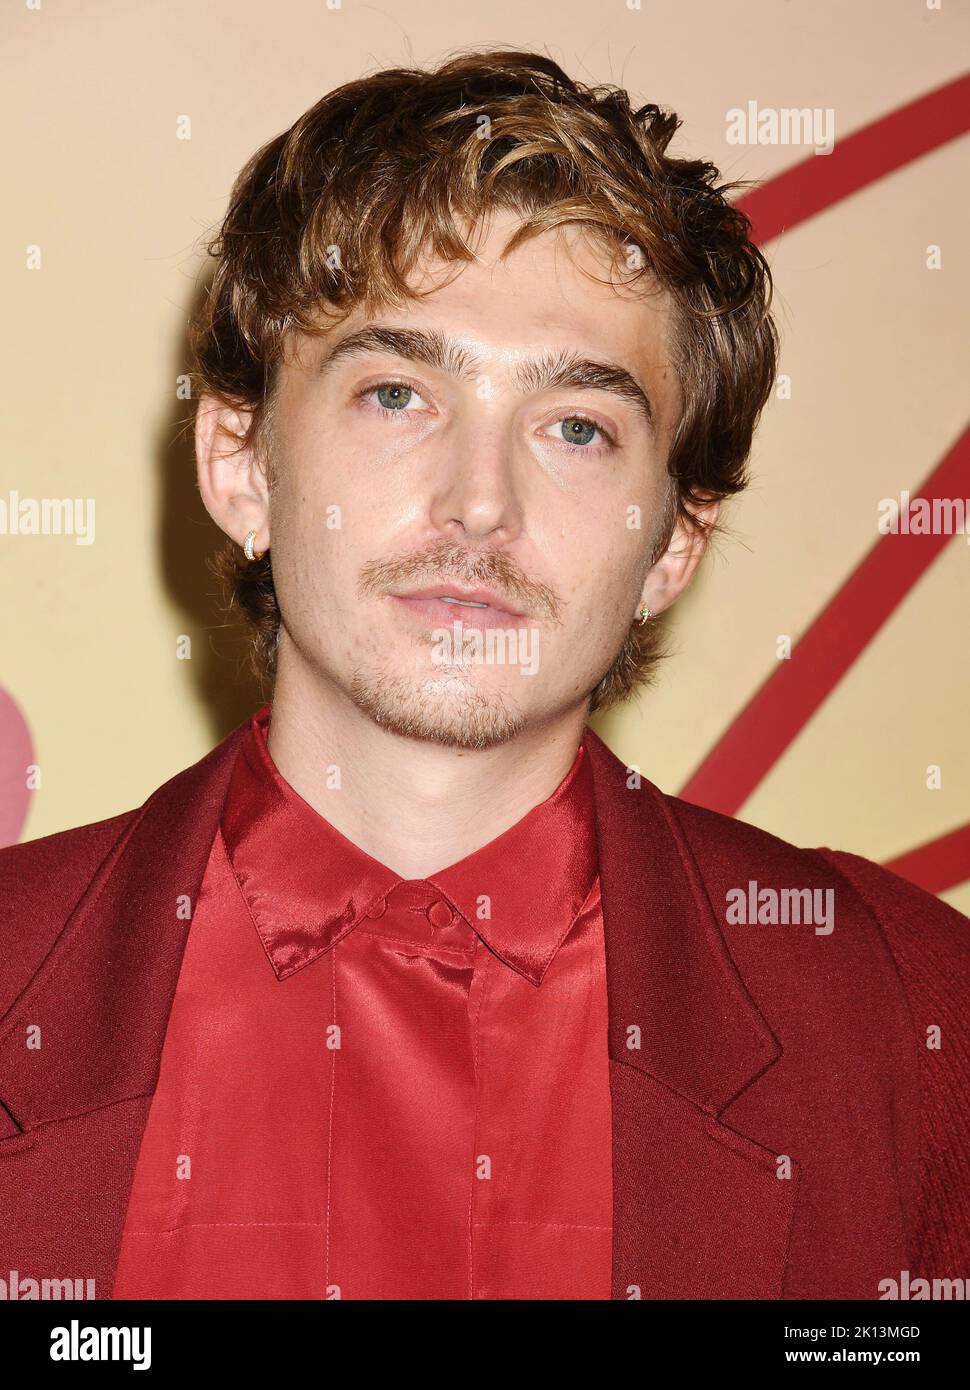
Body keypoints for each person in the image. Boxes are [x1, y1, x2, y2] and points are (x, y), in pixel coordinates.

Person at [1, 49, 967, 1302]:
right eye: (397, 393)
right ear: (240, 463)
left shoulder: (898, 1017)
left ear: (672, 541)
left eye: (577, 427)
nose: (480, 504)